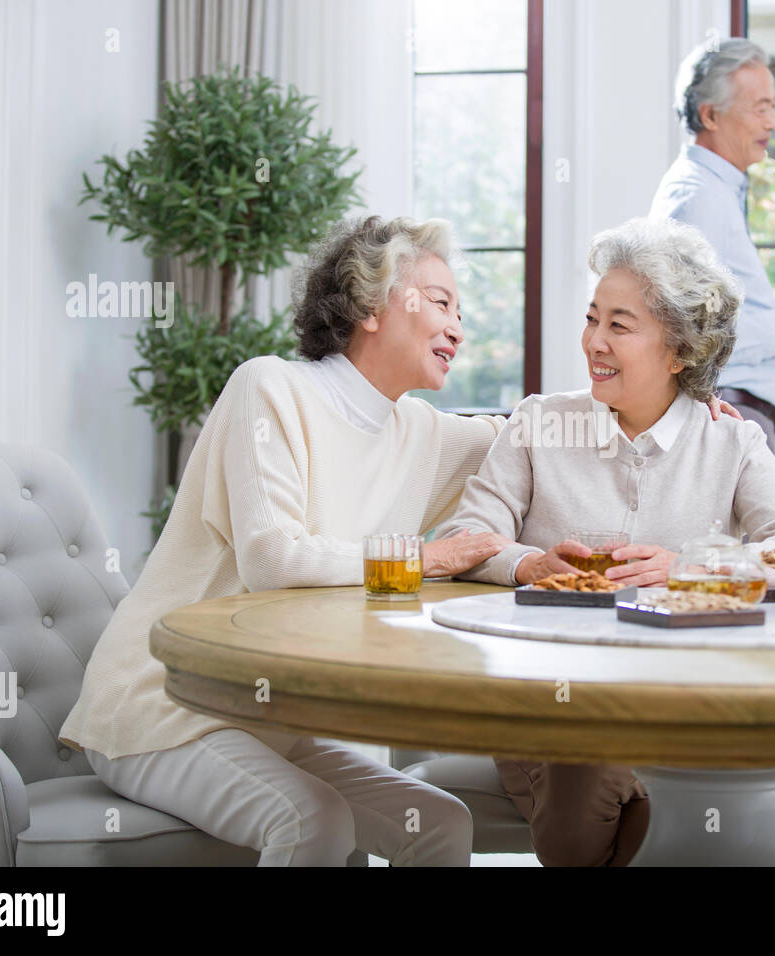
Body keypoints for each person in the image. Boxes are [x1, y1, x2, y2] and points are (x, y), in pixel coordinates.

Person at [60, 215, 517, 866]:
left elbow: (532, 436)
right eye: (440, 303)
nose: (458, 328)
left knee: (440, 824)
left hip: (268, 724)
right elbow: (272, 557)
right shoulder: (269, 387)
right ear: (369, 304)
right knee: (315, 822)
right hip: (163, 706)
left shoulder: (423, 432)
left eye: (460, 312)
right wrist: (429, 558)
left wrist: (694, 411)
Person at [437, 217, 775, 866]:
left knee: (644, 810)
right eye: (593, 318)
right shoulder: (541, 424)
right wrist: (531, 564)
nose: (593, 340)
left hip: (681, 704)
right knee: (618, 786)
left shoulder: (729, 442)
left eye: (619, 326)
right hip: (549, 702)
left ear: (679, 351)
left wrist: (696, 570)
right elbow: (463, 537)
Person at [650, 37, 775, 465]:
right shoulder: (698, 198)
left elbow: (714, 313)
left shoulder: (714, 191)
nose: (772, 123)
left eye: (773, 106)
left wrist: (774, 317)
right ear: (711, 115)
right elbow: (685, 331)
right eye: (760, 108)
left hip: (734, 415)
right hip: (728, 416)